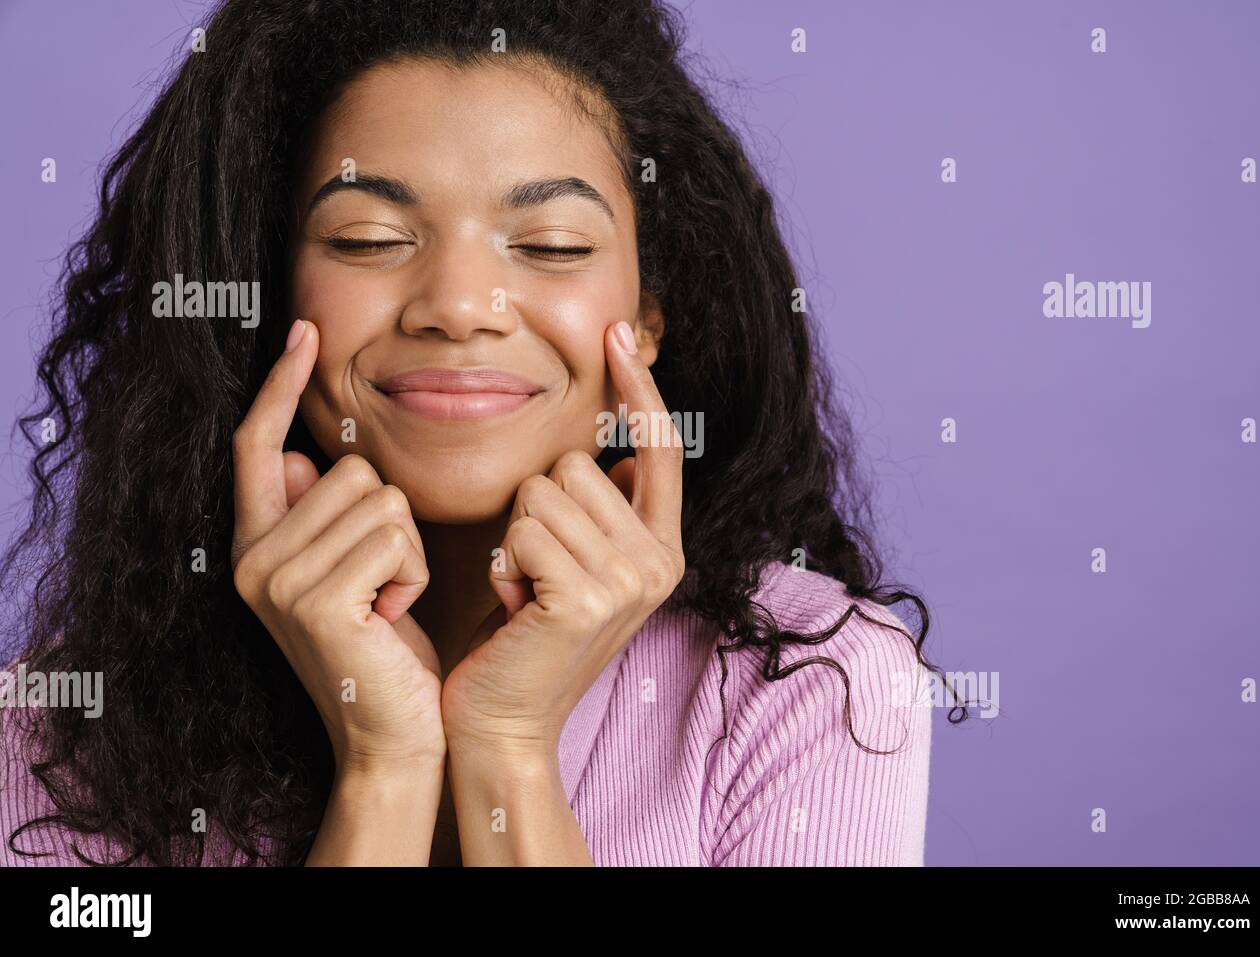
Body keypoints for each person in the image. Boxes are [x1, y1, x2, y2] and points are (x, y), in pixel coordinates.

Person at [0, 0, 962, 867]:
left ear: (651, 314)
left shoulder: (816, 685)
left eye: (551, 247)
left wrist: (507, 746)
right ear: (265, 297)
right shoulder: (54, 732)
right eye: (368, 239)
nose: (462, 307)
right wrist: (382, 770)